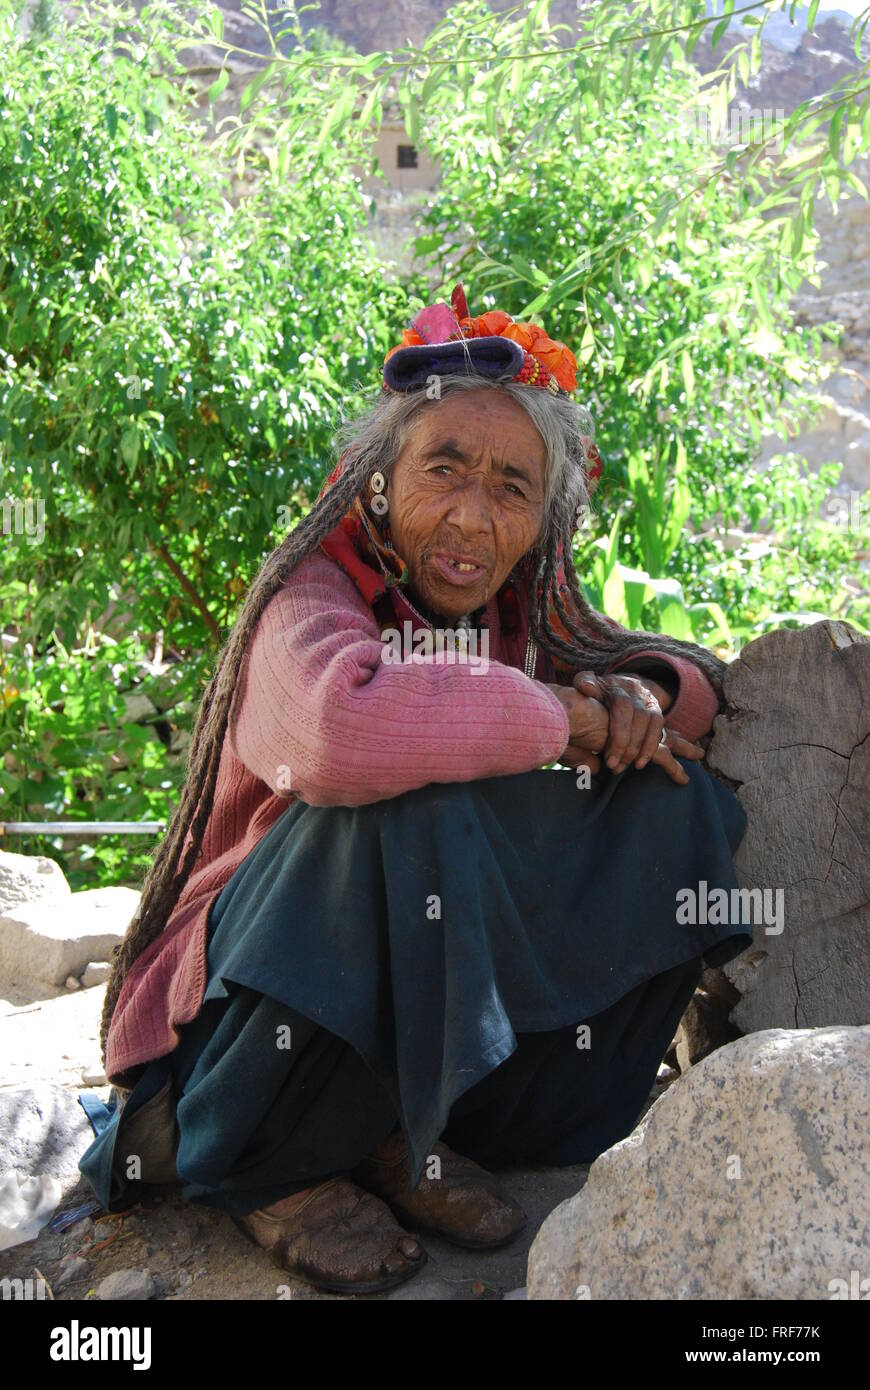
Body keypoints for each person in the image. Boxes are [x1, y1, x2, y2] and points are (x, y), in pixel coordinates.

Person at [80, 283, 752, 1295]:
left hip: (400, 1046)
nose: (474, 517)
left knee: (675, 798)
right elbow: (346, 733)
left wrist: (636, 697)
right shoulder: (310, 599)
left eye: (513, 488)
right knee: (405, 802)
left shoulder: (524, 617)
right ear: (378, 480)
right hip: (230, 1040)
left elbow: (687, 692)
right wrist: (561, 717)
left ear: (540, 521)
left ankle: (409, 1135)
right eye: (445, 468)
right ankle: (281, 1170)